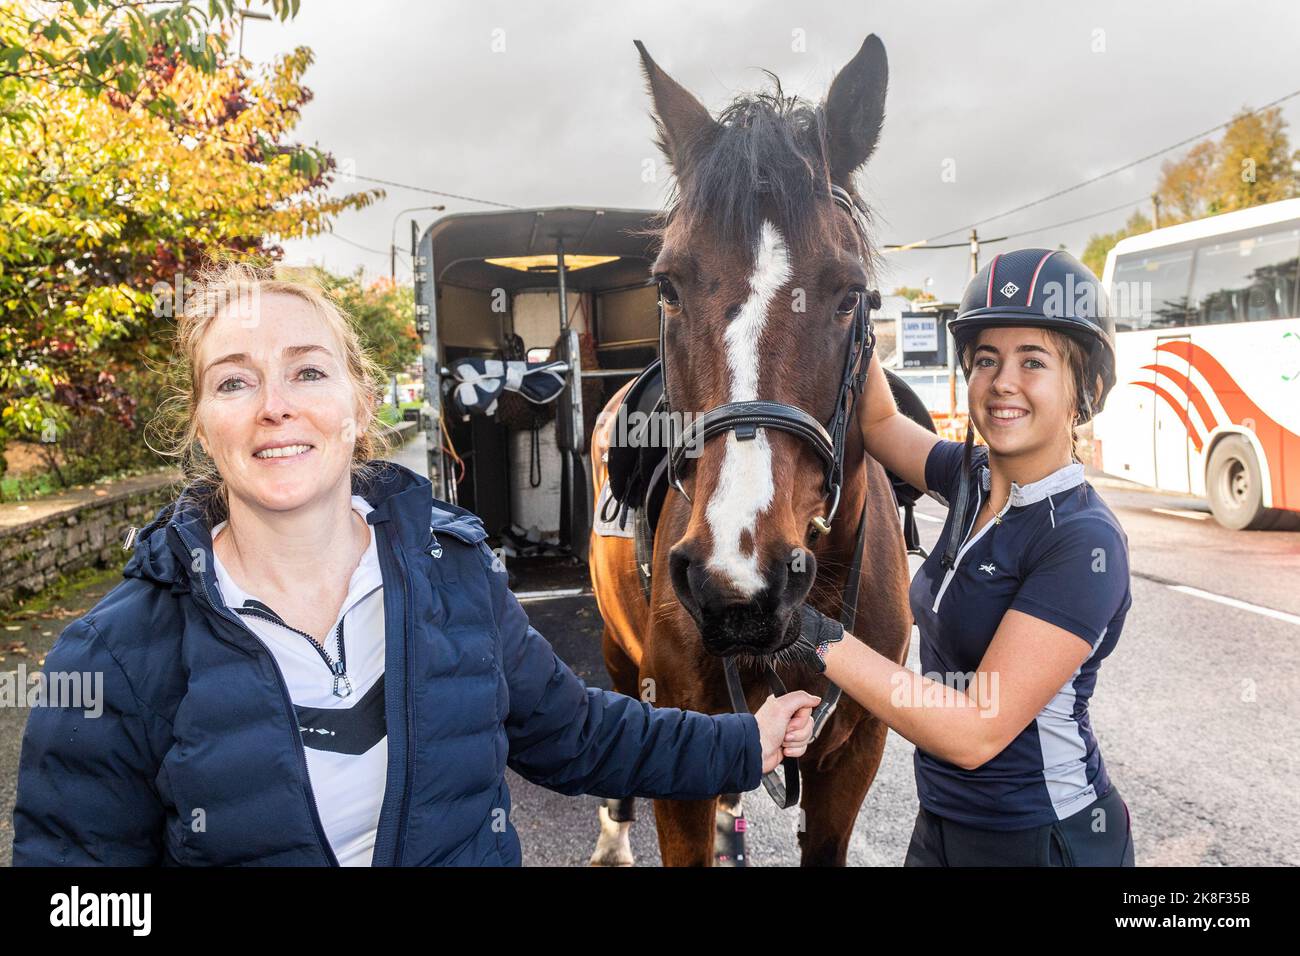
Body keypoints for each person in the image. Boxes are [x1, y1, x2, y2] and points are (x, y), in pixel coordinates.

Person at [11, 264, 817, 867]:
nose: (275, 406)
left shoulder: (453, 577)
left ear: (359, 405)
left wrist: (742, 744)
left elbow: (574, 733)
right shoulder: (113, 658)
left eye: (308, 371)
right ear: (201, 423)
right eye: (234, 382)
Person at [794, 249, 1135, 866]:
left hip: (1041, 839)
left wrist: (813, 634)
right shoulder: (970, 477)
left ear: (1087, 388)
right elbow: (877, 421)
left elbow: (974, 730)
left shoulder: (1084, 540)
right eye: (986, 360)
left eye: (1034, 361)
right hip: (941, 824)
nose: (1003, 382)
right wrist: (845, 304)